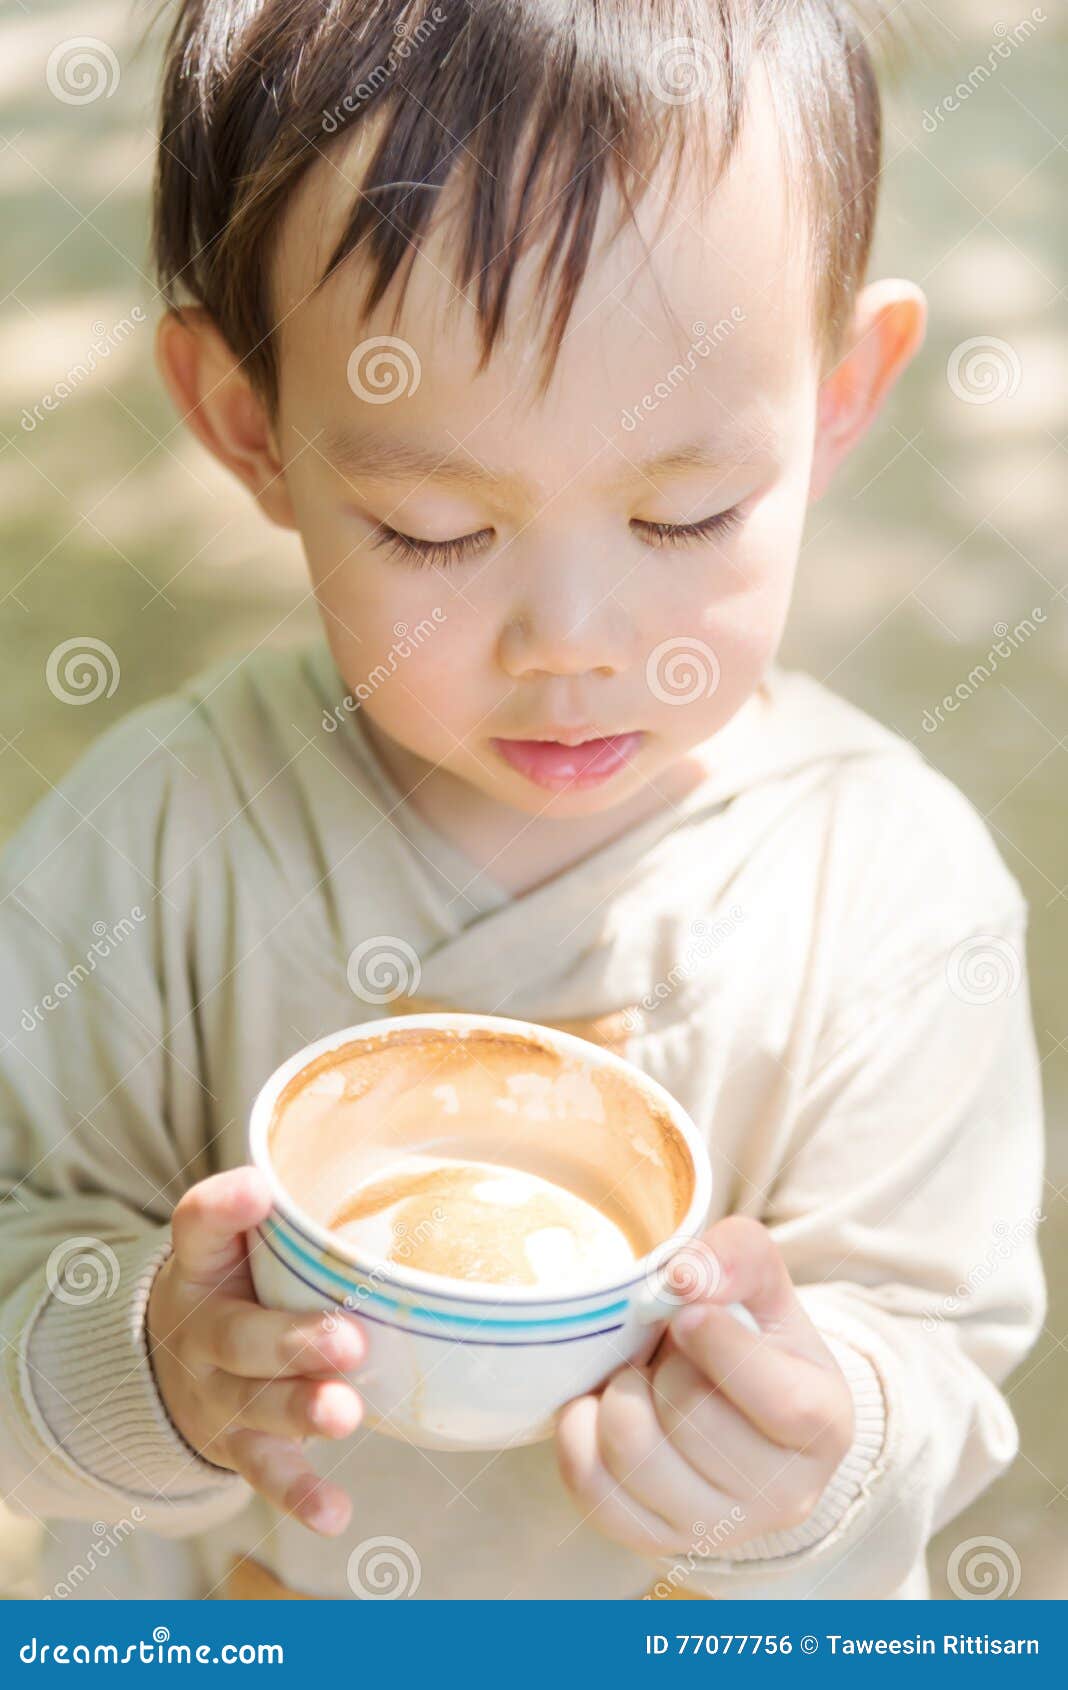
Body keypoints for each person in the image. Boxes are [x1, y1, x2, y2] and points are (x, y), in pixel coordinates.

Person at [0, 0, 1044, 1600]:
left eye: (688, 512)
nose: (573, 642)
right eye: (435, 529)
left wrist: (819, 1453)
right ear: (247, 423)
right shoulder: (156, 842)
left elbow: (937, 1356)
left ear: (840, 396)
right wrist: (143, 1360)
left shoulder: (891, 892)